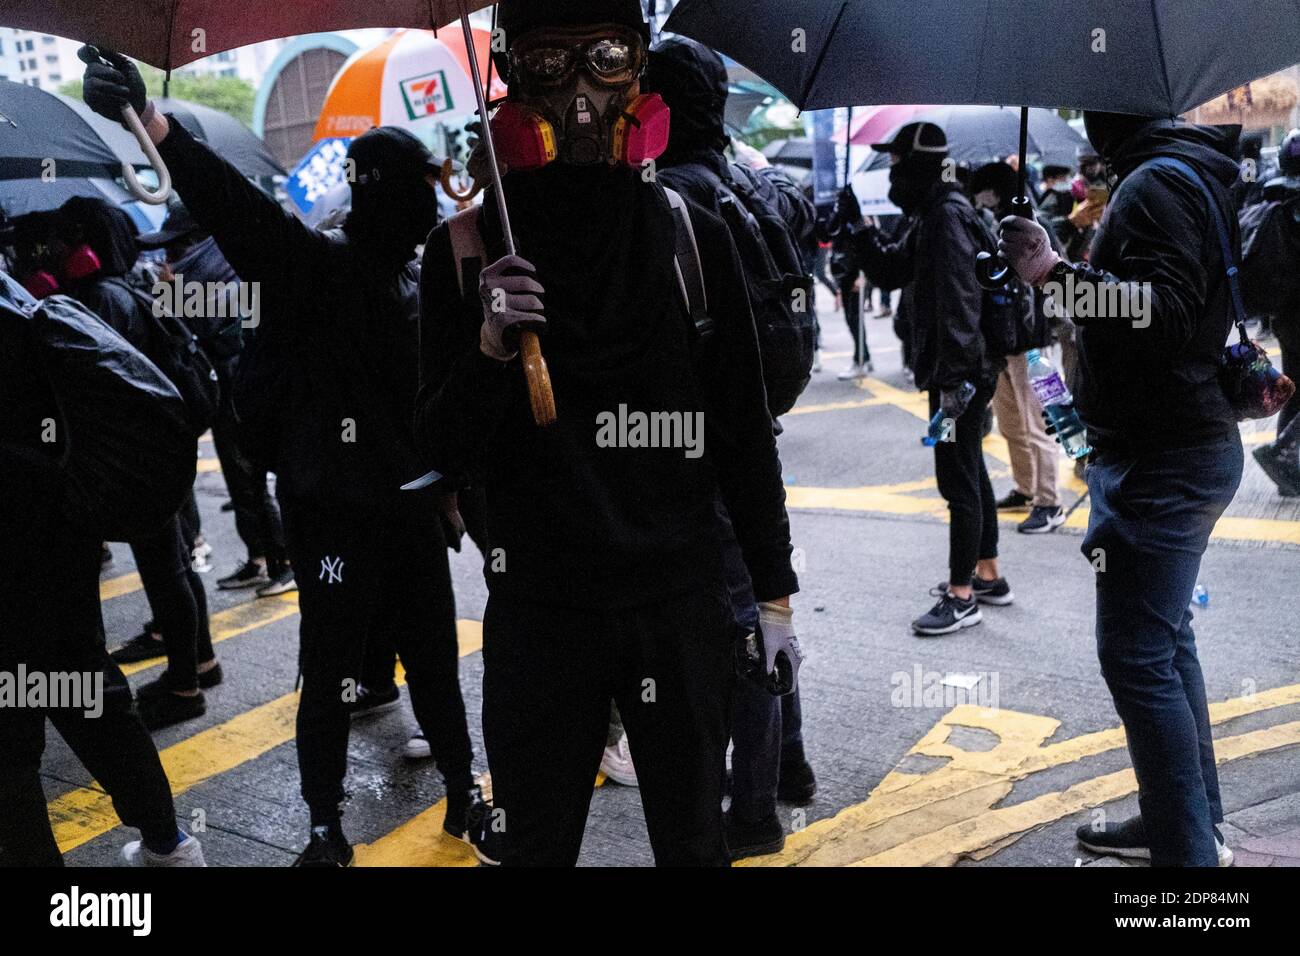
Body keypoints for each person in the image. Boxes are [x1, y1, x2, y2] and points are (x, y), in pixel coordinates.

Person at [81, 49, 493, 866]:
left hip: (342, 511)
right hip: (376, 511)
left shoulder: (381, 274)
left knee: (345, 670)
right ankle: (449, 797)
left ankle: (331, 827)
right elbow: (236, 210)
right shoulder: (354, 272)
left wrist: (155, 124)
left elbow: (241, 216)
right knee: (417, 664)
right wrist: (153, 125)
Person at [416, 0, 798, 866]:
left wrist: (772, 595)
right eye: (552, 65)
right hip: (539, 610)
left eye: (606, 57)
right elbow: (438, 448)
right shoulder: (469, 252)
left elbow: (743, 430)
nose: (581, 93)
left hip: (678, 604)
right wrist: (485, 348)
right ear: (509, 78)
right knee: (535, 843)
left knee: (694, 840)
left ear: (642, 75)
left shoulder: (690, 239)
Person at [998, 111, 1245, 867]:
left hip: (1162, 457)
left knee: (1137, 656)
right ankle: (1185, 824)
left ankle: (1188, 865)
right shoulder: (1185, 169)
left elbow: (1161, 312)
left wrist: (1054, 274)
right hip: (1182, 445)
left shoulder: (1154, 181)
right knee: (1165, 643)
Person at [646, 36, 817, 859]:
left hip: (701, 449)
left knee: (741, 627)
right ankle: (792, 763)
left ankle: (750, 813)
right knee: (768, 601)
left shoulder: (669, 202)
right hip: (761, 429)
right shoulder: (763, 186)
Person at [0, 265, 205, 867]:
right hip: (56, 532)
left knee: (9, 742)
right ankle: (170, 844)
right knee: (89, 691)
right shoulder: (18, 300)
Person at [31, 196, 219, 730]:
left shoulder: (103, 299)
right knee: (173, 565)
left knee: (166, 571)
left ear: (84, 245)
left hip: (137, 457)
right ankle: (199, 664)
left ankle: (185, 687)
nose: (53, 251)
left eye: (61, 241)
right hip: (163, 445)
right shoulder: (129, 286)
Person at [838, 123, 1013, 636]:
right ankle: (987, 575)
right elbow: (892, 272)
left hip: (958, 373)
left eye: (895, 162)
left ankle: (962, 597)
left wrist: (955, 384)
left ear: (917, 163)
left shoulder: (945, 217)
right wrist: (862, 230)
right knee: (970, 469)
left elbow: (959, 301)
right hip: (959, 369)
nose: (891, 172)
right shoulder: (937, 211)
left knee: (955, 478)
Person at [140, 203, 296, 597]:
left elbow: (207, 326)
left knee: (252, 479)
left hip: (245, 396)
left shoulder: (233, 274)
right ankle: (259, 558)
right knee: (239, 481)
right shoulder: (203, 278)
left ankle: (285, 561)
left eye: (176, 251)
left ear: (198, 245)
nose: (169, 260)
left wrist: (172, 293)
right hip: (224, 396)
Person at [970, 162, 1064, 534]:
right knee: (1011, 425)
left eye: (984, 191)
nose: (979, 199)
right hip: (1002, 344)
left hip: (1034, 344)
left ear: (995, 190)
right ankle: (1026, 489)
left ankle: (1049, 501)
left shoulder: (1033, 225)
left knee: (1040, 424)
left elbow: (1053, 278)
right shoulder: (991, 226)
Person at [1251, 130, 1300, 496]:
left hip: (1285, 312)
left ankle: (1287, 469)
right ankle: (1283, 453)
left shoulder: (1274, 197)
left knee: (1295, 384)